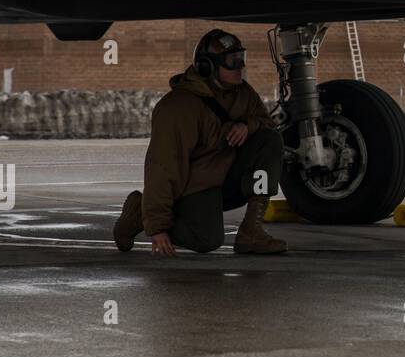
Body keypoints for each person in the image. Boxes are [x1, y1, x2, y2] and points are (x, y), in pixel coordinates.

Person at [113, 28, 288, 255]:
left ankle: (251, 231)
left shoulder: (243, 93)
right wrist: (157, 226)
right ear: (207, 66)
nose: (240, 67)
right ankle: (139, 212)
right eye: (232, 62)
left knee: (269, 140)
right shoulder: (178, 107)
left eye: (241, 59)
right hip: (193, 186)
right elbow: (163, 166)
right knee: (205, 241)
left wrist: (247, 125)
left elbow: (268, 126)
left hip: (224, 177)